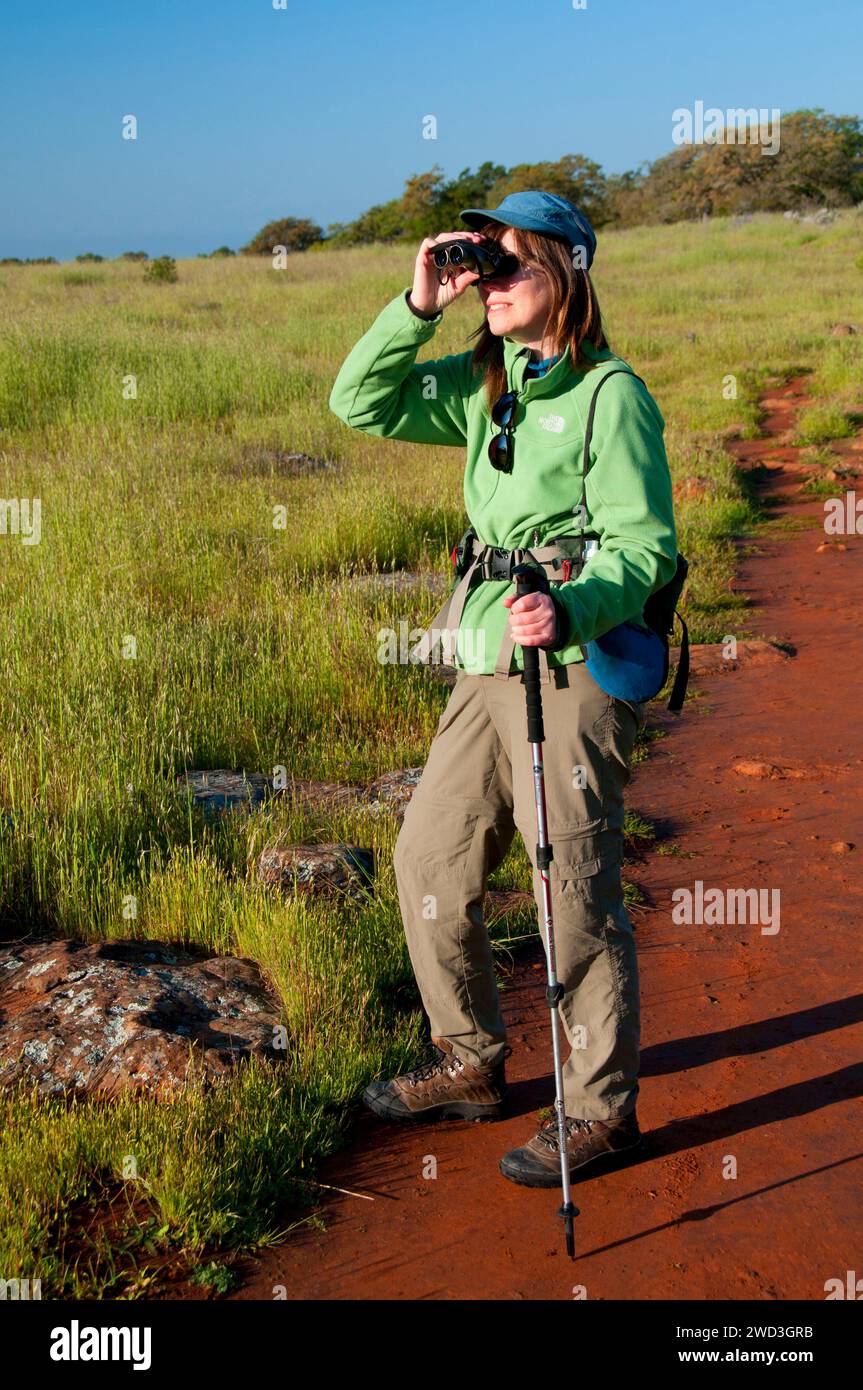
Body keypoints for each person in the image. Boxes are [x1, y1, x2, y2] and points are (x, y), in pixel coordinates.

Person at [328, 191, 677, 1188]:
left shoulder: (610, 395)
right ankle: (470, 1058)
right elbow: (357, 403)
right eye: (481, 267)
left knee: (569, 890)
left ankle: (601, 1110)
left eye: (506, 265)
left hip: (566, 665)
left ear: (563, 274)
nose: (487, 284)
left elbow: (645, 545)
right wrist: (416, 303)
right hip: (482, 659)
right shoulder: (488, 385)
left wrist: (572, 607)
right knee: (426, 862)